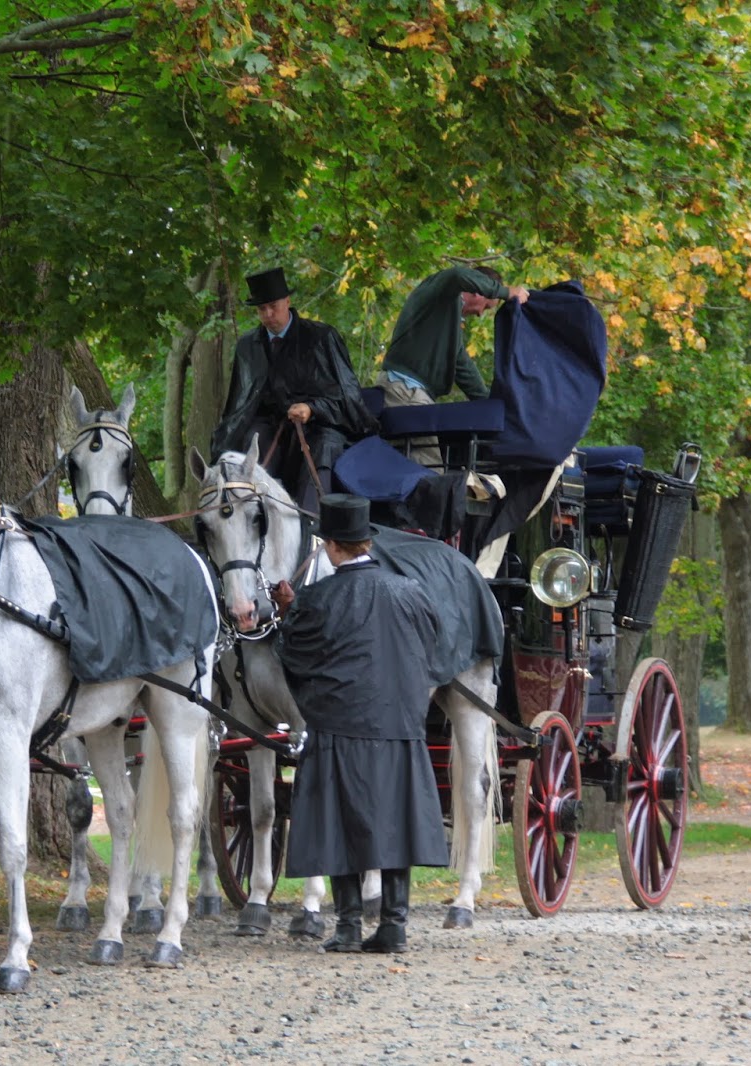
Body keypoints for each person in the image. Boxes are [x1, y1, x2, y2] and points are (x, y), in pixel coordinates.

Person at [271, 494, 448, 953]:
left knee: (337, 824)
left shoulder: (318, 597)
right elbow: (431, 648)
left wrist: (289, 615)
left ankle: (348, 926)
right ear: (368, 541)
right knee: (396, 822)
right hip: (399, 729)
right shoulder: (410, 591)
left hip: (340, 729)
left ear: (331, 546)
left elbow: (296, 655)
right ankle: (394, 925)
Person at [210, 267, 378, 513]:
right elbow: (239, 406)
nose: (268, 314)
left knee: (320, 445)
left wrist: (312, 408)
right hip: (271, 425)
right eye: (261, 309)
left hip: (321, 425)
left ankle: (311, 521)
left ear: (287, 301)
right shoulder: (248, 346)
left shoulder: (322, 338)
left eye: (273, 306)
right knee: (251, 442)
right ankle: (249, 516)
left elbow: (347, 398)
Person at [377, 265, 528, 468]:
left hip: (410, 393)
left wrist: (493, 408)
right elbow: (457, 274)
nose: (481, 314)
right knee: (430, 473)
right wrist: (507, 292)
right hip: (406, 390)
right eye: (487, 306)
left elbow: (463, 367)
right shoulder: (442, 292)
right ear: (478, 290)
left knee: (406, 471)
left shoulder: (448, 323)